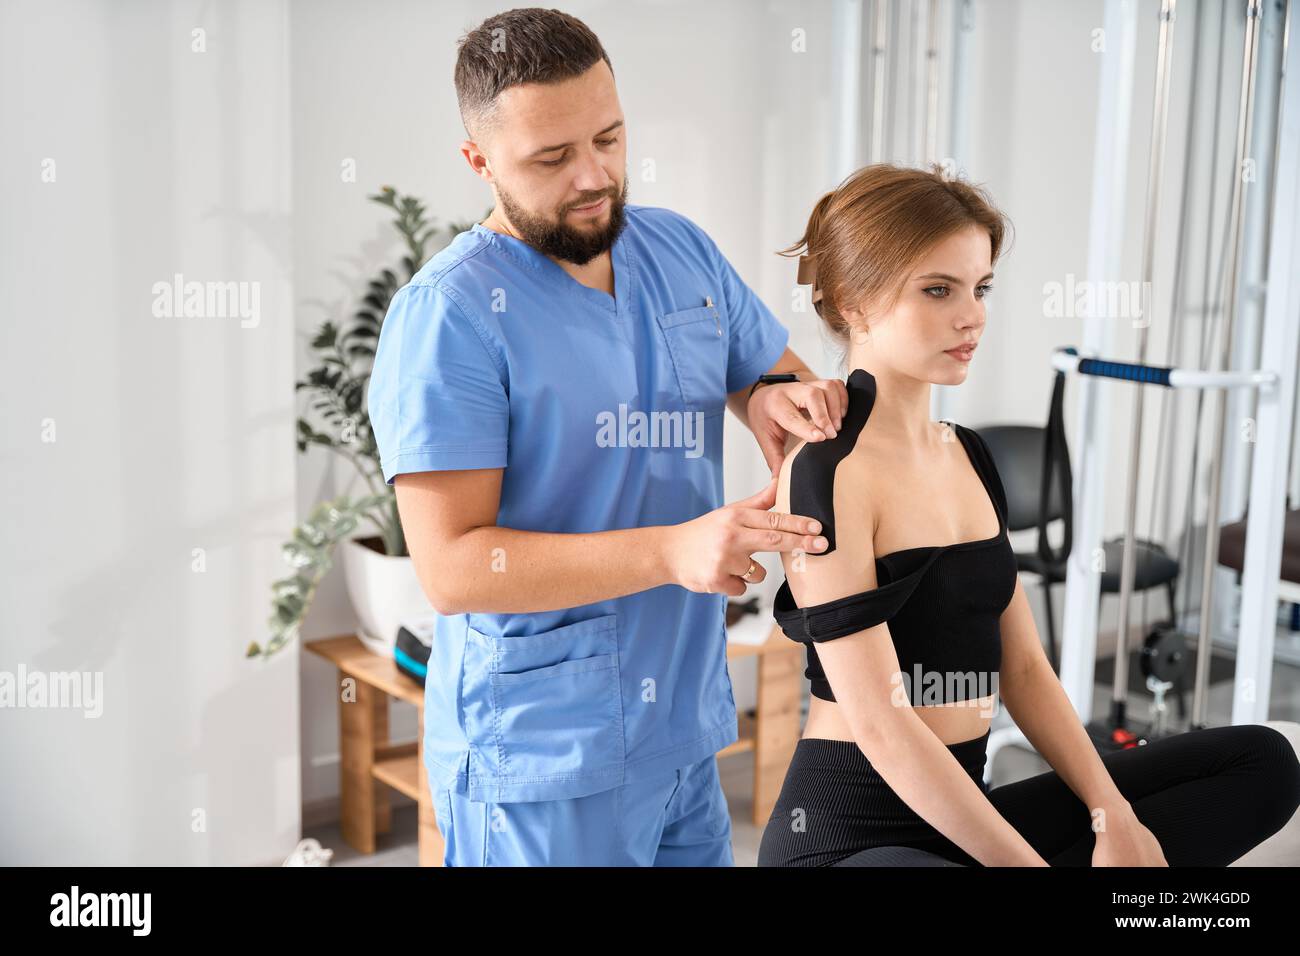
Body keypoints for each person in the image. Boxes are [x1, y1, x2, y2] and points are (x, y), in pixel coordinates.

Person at [367, 7, 847, 866]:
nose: (594, 176)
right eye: (552, 158)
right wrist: (672, 552)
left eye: (610, 139)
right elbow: (451, 568)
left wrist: (779, 400)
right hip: (543, 759)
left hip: (685, 724)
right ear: (479, 163)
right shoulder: (449, 318)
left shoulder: (680, 252)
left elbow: (768, 374)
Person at [757, 162, 1300, 867]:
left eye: (979, 287)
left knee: (1262, 761)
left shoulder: (969, 454)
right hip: (851, 836)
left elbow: (1024, 669)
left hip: (966, 810)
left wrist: (1113, 815)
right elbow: (882, 722)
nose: (972, 314)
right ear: (853, 303)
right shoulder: (827, 469)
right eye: (938, 289)